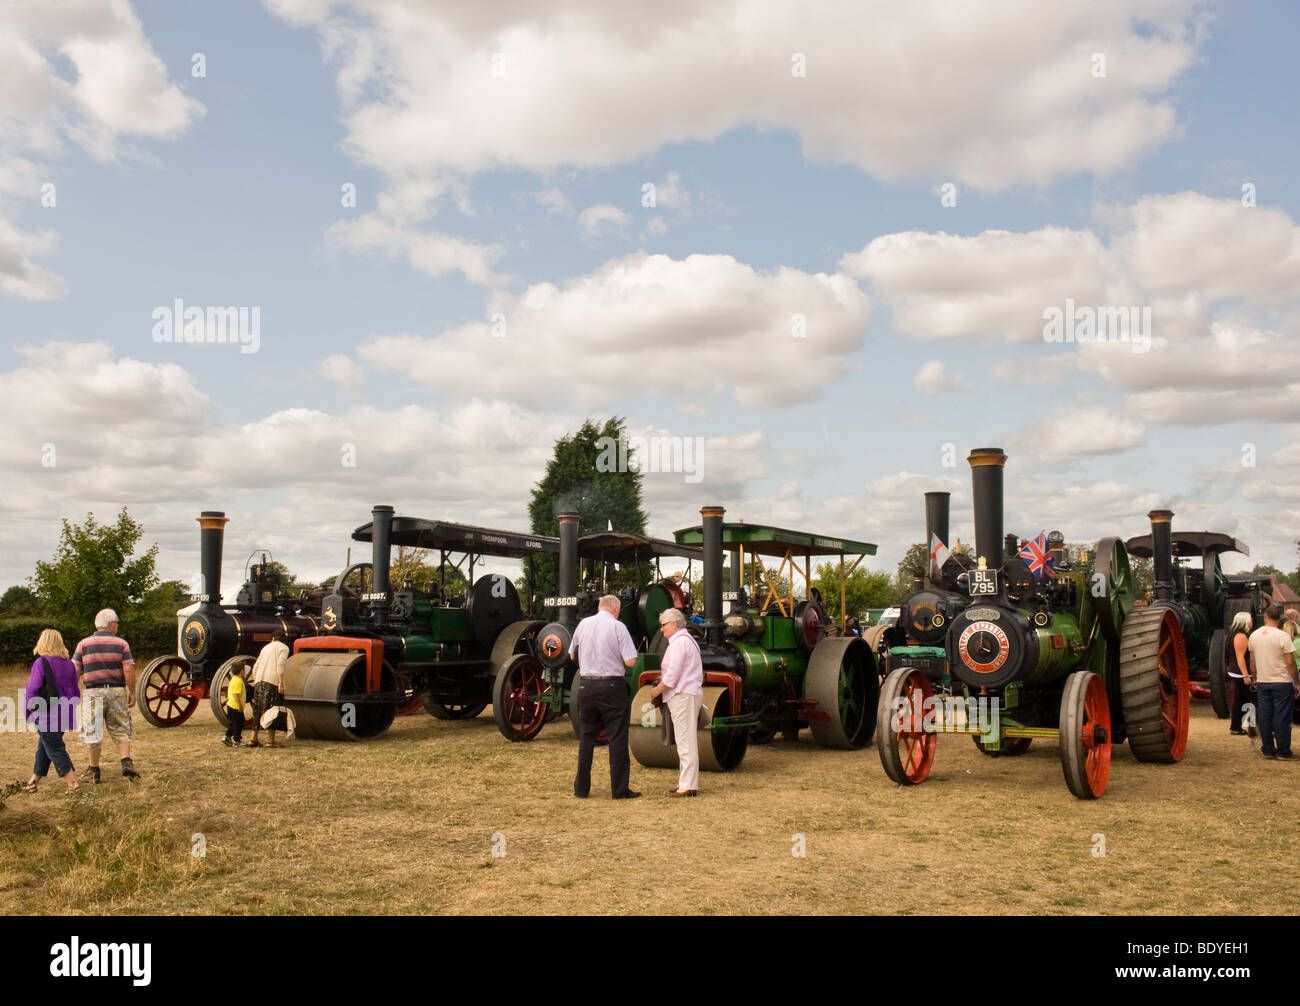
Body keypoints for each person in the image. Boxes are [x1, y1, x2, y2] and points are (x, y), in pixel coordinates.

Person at [569, 594, 639, 799]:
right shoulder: (618, 627)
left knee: (587, 739)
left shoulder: (583, 625)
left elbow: (572, 655)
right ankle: (619, 790)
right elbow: (631, 662)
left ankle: (581, 789)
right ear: (616, 609)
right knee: (617, 738)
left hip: (586, 686)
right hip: (611, 686)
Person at [73, 609, 139, 783]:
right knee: (121, 726)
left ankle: (94, 769)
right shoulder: (122, 644)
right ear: (110, 624)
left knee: (93, 729)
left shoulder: (83, 644)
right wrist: (132, 692)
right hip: (116, 691)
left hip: (92, 692)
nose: (117, 626)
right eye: (117, 623)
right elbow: (128, 669)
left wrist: (73, 690)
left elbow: (75, 670)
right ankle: (126, 762)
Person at [649, 608, 704, 797]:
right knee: (685, 740)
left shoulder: (679, 643)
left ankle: (687, 785)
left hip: (682, 695)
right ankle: (686, 783)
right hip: (685, 694)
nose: (662, 630)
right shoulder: (685, 641)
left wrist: (656, 690)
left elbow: (672, 676)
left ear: (673, 624)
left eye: (663, 625)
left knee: (685, 741)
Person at [23, 629, 81, 793]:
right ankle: (33, 781)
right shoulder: (69, 664)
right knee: (45, 746)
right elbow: (75, 690)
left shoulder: (41, 663)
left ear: (43, 643)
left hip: (46, 714)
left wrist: (28, 711)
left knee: (55, 748)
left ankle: (72, 782)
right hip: (64, 713)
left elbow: (32, 689)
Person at [1246, 604, 1300, 759]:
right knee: (1282, 717)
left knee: (1265, 715)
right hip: (1281, 681)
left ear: (1265, 616)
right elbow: (1290, 662)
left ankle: (1268, 749)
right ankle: (1283, 750)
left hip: (1263, 680)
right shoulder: (1283, 636)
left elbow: (1253, 662)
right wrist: (1296, 681)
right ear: (1280, 618)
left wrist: (1255, 678)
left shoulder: (1254, 635)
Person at [248, 629, 289, 748]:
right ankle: (270, 740)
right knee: (272, 710)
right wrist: (281, 683)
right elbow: (280, 665)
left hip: (260, 681)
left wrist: (257, 680)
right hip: (273, 681)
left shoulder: (266, 647)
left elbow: (256, 666)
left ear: (273, 638)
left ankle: (253, 738)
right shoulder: (284, 648)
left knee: (257, 710)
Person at [1226, 611, 1254, 736]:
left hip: (1236, 672)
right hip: (1241, 673)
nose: (1252, 622)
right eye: (1250, 620)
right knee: (1254, 700)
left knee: (1240, 700)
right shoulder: (1241, 636)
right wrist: (1246, 675)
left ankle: (1236, 727)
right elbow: (1240, 657)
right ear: (1245, 622)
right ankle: (1254, 729)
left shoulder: (1233, 634)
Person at [223, 662, 248, 747]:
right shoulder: (238, 681)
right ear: (242, 671)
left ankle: (227, 736)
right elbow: (235, 694)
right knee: (238, 724)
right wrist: (240, 706)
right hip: (235, 707)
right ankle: (236, 740)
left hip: (231, 705)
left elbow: (230, 692)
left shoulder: (233, 679)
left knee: (233, 723)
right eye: (244, 670)